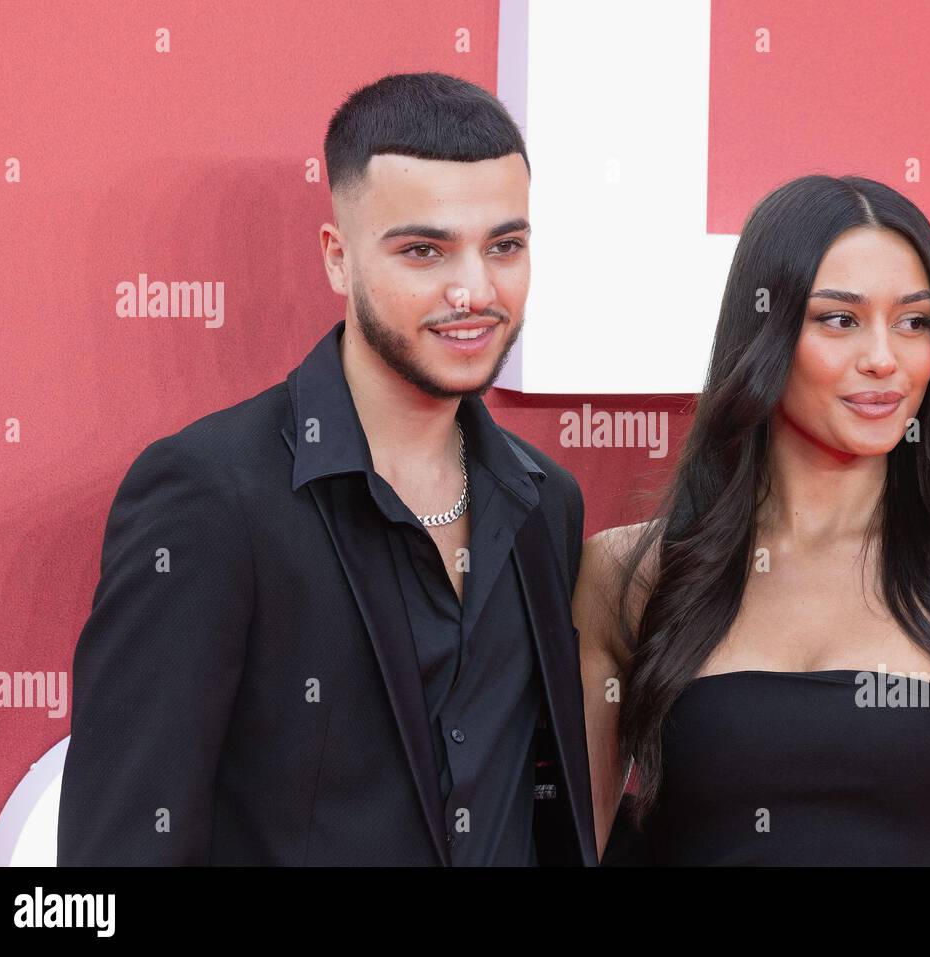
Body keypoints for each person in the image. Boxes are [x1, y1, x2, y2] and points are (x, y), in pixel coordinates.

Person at [58, 72, 597, 866]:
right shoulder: (210, 497)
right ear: (337, 260)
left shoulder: (546, 501)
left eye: (505, 246)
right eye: (424, 249)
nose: (474, 289)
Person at [576, 174, 930, 866]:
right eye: (839, 320)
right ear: (767, 331)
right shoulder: (630, 574)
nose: (884, 359)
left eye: (914, 321)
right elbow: (572, 842)